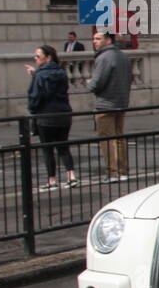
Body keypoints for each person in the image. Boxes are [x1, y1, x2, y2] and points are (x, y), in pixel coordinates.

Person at [25, 45, 77, 189]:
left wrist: (32, 109)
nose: (35, 59)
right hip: (64, 114)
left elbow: (36, 96)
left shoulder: (40, 75)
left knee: (47, 149)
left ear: (47, 58)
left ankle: (52, 180)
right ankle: (71, 176)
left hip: (46, 116)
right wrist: (35, 75)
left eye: (37, 56)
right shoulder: (61, 72)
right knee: (63, 147)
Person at [87, 29, 132, 181]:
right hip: (121, 102)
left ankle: (112, 173)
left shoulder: (104, 57)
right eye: (94, 39)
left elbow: (97, 83)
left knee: (106, 139)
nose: (94, 41)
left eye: (98, 39)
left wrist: (89, 83)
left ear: (108, 40)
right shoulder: (123, 56)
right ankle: (123, 171)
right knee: (119, 138)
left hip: (105, 104)